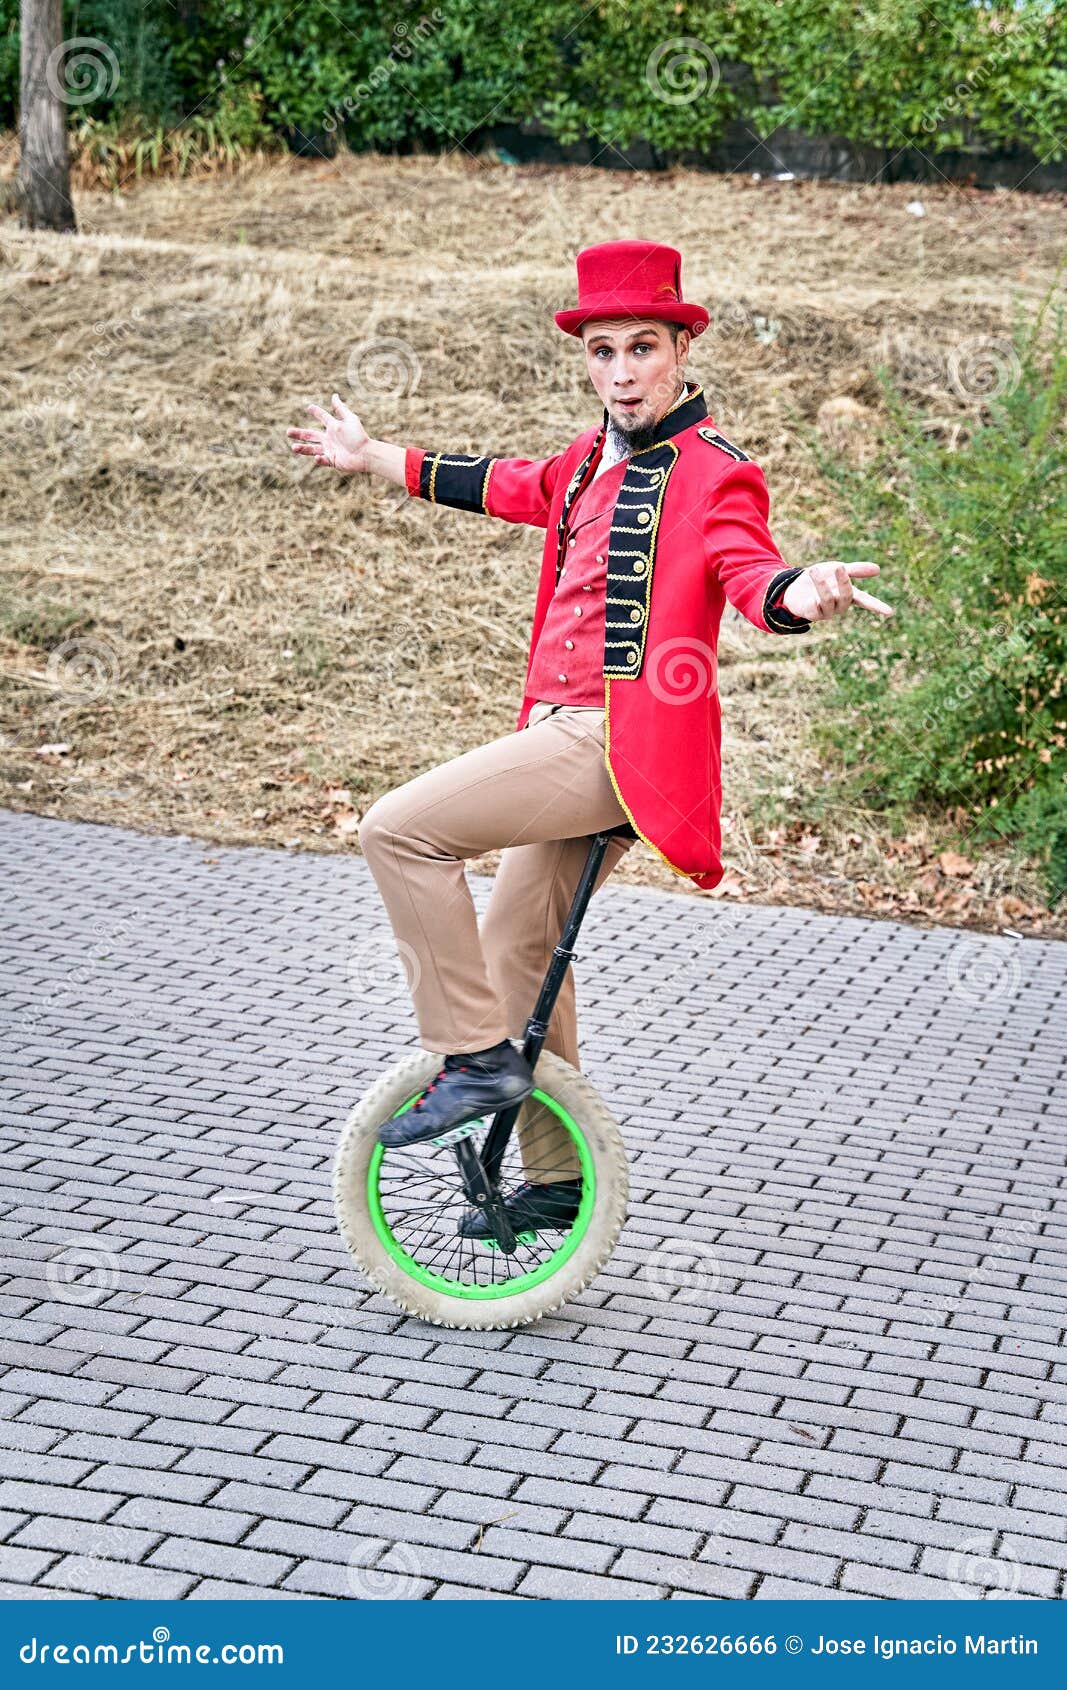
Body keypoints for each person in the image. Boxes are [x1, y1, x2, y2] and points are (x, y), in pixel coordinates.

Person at [286, 239, 892, 1239]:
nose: (620, 372)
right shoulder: (579, 464)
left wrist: (801, 592)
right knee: (520, 959)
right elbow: (498, 481)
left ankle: (470, 1059)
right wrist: (373, 458)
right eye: (602, 351)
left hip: (619, 745)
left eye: (641, 348)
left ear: (680, 351)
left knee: (395, 831)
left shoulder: (714, 475)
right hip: (556, 735)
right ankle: (561, 1180)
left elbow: (751, 576)